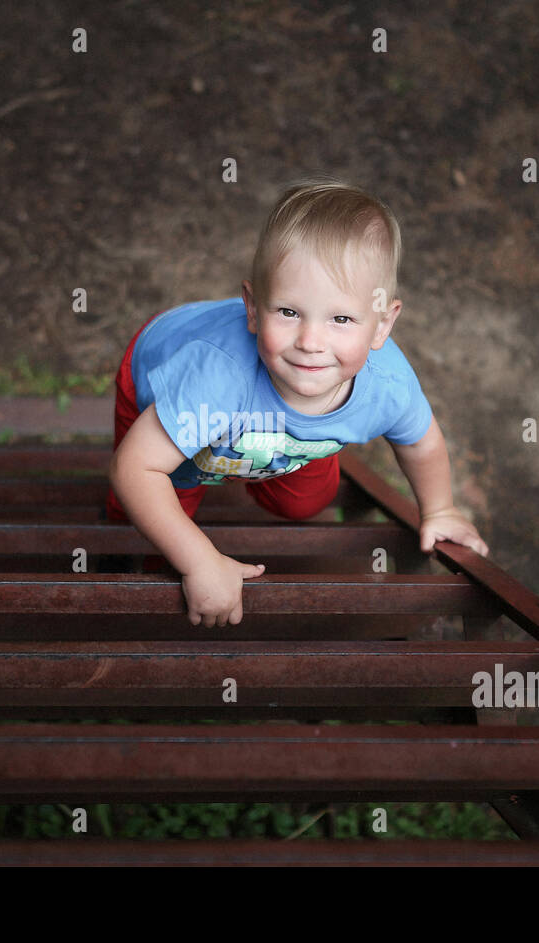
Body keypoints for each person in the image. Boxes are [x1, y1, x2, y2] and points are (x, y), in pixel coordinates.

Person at [106, 178, 489, 627]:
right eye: (288, 312)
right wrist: (198, 560)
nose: (310, 341)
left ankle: (287, 452)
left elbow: (421, 443)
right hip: (160, 379)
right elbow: (136, 469)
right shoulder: (216, 376)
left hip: (251, 427)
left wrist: (440, 508)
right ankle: (133, 555)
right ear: (253, 308)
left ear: (383, 325)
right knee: (161, 500)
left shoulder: (387, 385)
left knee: (306, 502)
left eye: (342, 318)